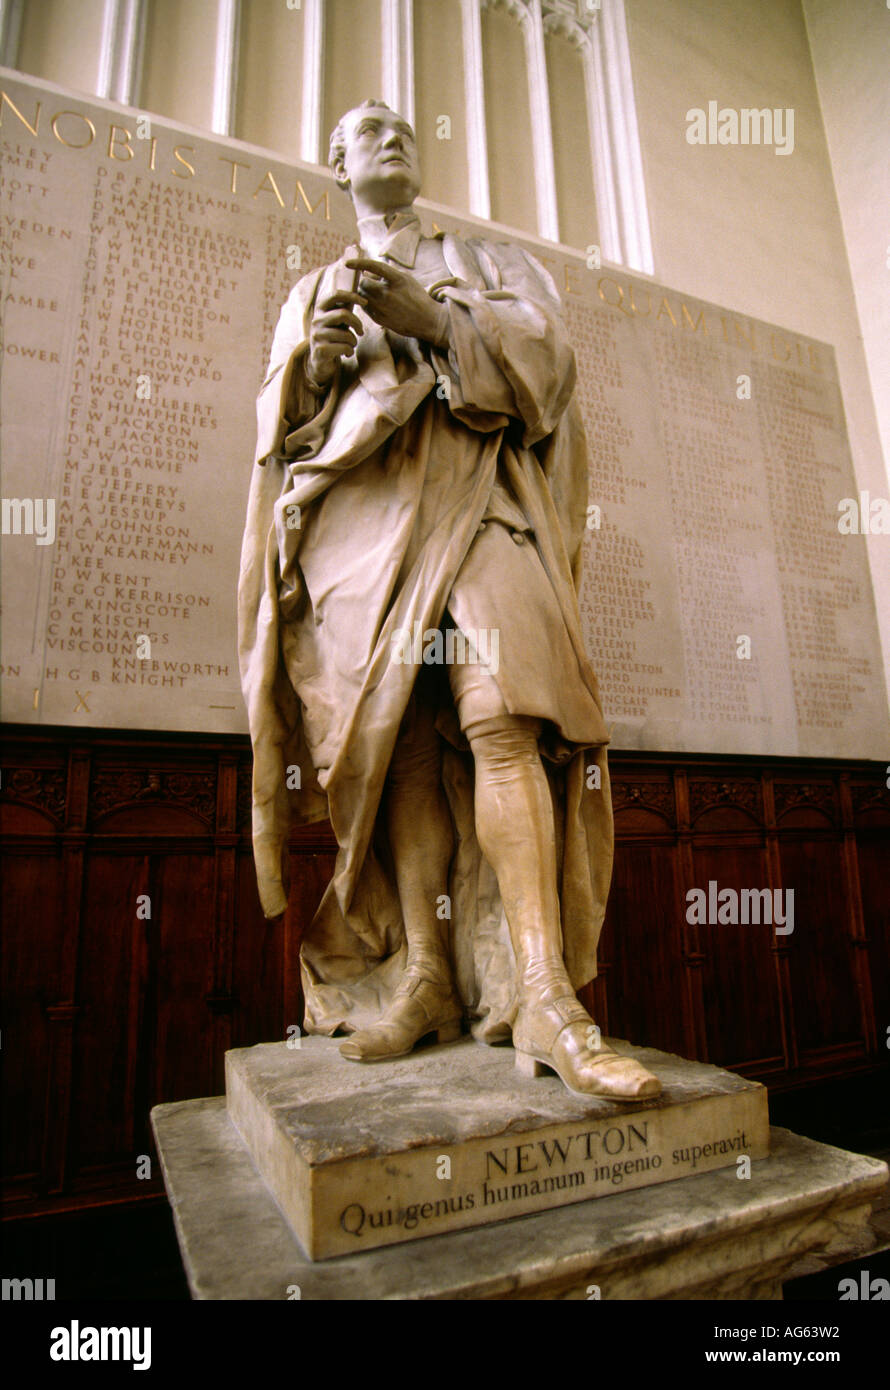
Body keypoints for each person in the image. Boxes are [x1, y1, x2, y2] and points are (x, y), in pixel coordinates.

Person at [238, 100, 660, 1100]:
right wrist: (316, 367)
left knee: (501, 716)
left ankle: (545, 994)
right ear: (334, 163)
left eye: (400, 126)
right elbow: (278, 430)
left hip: (480, 502)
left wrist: (437, 324)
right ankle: (425, 973)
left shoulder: (491, 265)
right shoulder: (313, 287)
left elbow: (550, 370)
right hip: (361, 531)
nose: (389, 135)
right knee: (400, 747)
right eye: (365, 129)